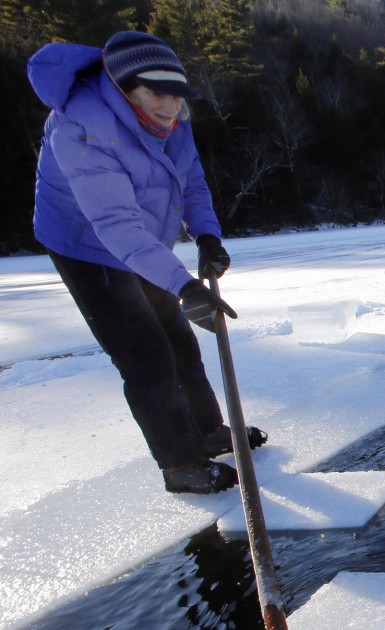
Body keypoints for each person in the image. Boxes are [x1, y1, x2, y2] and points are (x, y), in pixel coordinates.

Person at [27, 31, 267, 495]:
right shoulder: (82, 125)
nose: (170, 107)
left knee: (179, 340)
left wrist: (207, 234)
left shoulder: (172, 115)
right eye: (156, 93)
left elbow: (191, 178)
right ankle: (181, 465)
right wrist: (184, 285)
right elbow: (114, 227)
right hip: (86, 245)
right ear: (122, 87)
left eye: (176, 96)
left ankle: (209, 431)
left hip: (144, 240)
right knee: (146, 355)